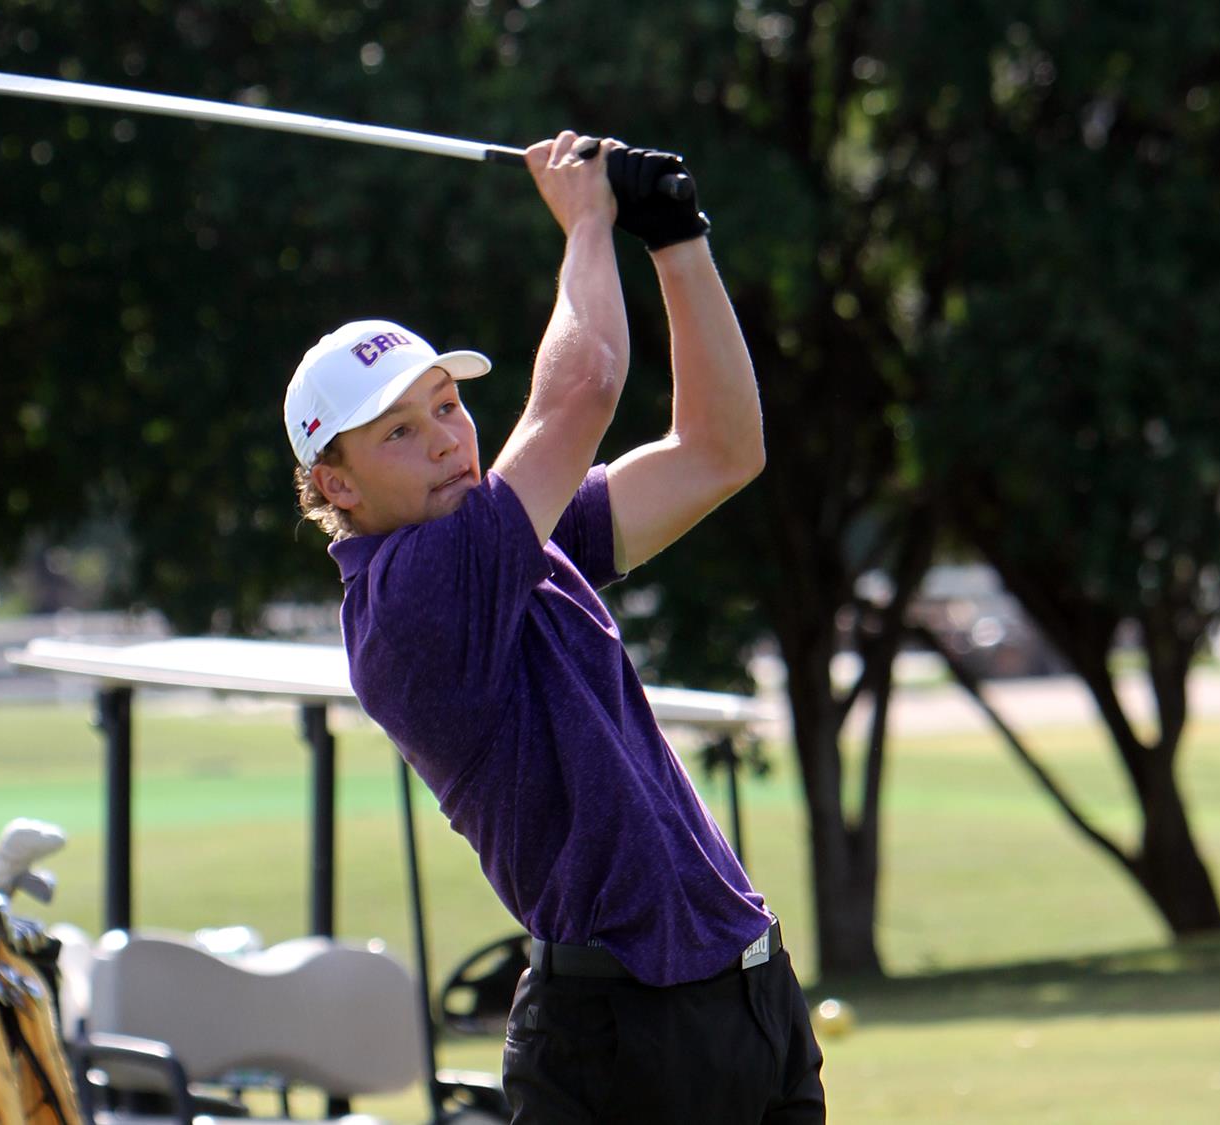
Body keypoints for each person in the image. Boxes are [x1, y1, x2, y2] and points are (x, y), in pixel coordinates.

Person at [284, 133, 824, 1122]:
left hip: (745, 1000)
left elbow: (718, 452)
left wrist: (675, 241)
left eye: (446, 406)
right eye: (398, 431)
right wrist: (586, 222)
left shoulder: (518, 534)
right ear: (336, 484)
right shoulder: (410, 600)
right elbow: (580, 389)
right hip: (617, 1037)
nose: (447, 440)